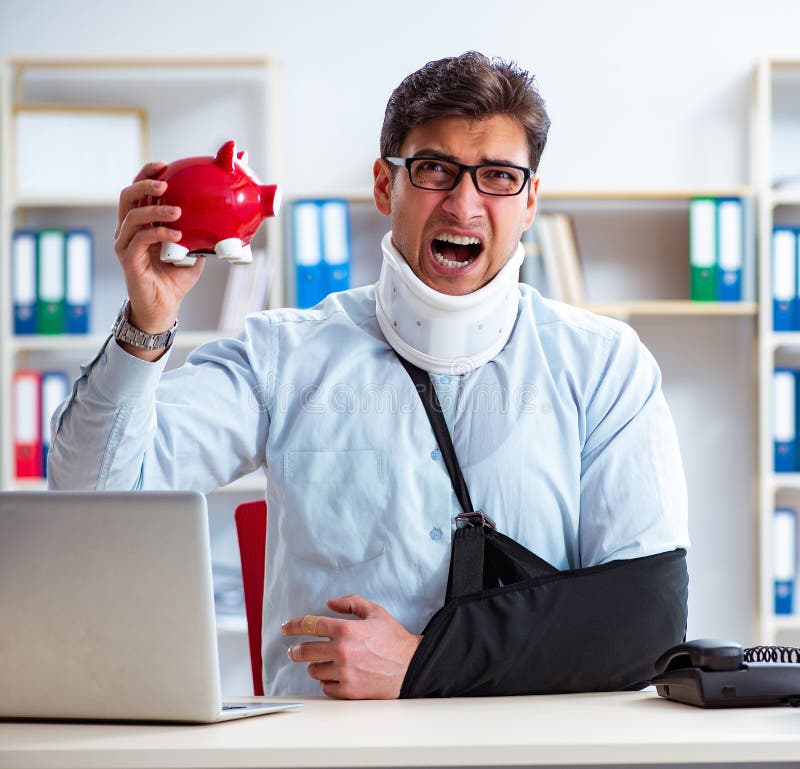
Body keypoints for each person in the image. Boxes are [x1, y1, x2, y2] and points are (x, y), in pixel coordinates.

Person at [48, 51, 689, 699]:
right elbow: (93, 499)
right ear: (386, 186)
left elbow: (645, 617)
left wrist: (424, 662)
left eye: (497, 176)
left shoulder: (606, 364)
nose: (464, 204)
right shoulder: (282, 355)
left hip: (533, 745)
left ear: (529, 203)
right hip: (327, 750)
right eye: (435, 169)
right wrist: (146, 321)